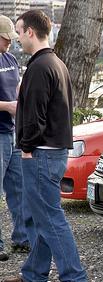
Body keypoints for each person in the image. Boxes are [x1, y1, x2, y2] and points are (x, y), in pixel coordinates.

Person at [2, 10, 88, 282]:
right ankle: (34, 274)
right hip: (51, 150)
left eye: (18, 31)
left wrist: (27, 148)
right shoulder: (55, 63)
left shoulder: (40, 67)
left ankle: (74, 278)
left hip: (40, 153)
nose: (16, 38)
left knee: (49, 217)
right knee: (41, 215)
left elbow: (34, 116)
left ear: (30, 32)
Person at [0, 15, 30, 262]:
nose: (10, 42)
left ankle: (23, 237)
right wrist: (6, 106)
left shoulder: (10, 59)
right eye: (5, 38)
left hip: (13, 131)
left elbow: (17, 85)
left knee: (19, 188)